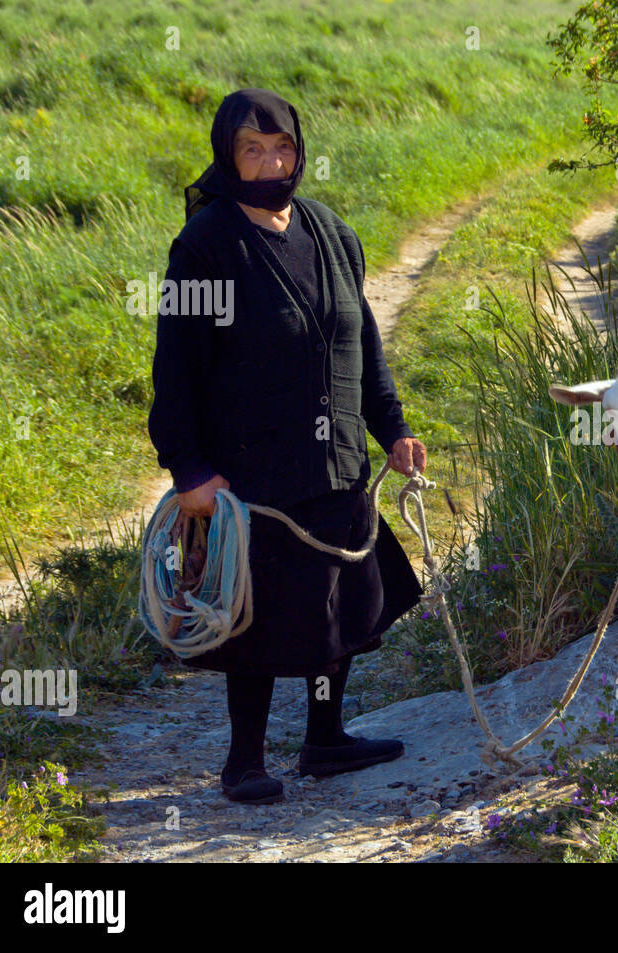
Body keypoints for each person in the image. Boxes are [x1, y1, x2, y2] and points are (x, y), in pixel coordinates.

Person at [148, 88, 427, 805]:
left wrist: (392, 428)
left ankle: (325, 737)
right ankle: (243, 760)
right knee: (257, 612)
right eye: (253, 149)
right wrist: (188, 468)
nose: (271, 162)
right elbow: (175, 369)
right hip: (251, 470)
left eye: (282, 148)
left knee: (335, 602)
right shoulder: (206, 245)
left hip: (336, 459)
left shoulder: (331, 233)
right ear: (228, 155)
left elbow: (362, 343)